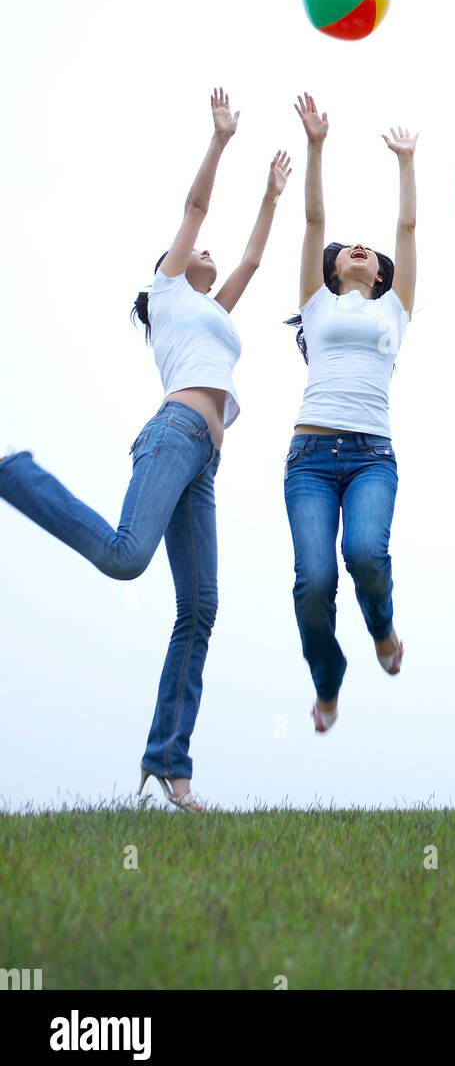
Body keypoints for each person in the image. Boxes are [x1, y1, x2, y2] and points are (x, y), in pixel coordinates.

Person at [0, 88, 291, 811]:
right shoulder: (168, 296)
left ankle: (169, 760)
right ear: (167, 267)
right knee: (127, 556)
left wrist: (272, 191)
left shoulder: (214, 310)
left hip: (203, 461)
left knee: (201, 605)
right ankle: (14, 473)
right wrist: (220, 142)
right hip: (174, 435)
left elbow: (252, 256)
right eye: (191, 249)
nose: (206, 251)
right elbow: (193, 212)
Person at [283, 93, 416, 734]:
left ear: (383, 276)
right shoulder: (317, 305)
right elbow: (312, 221)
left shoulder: (395, 310)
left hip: (371, 458)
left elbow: (408, 233)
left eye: (369, 250)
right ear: (333, 269)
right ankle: (327, 681)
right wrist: (315, 146)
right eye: (347, 249)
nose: (359, 248)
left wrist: (406, 163)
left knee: (365, 553)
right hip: (309, 458)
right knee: (313, 581)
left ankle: (382, 627)